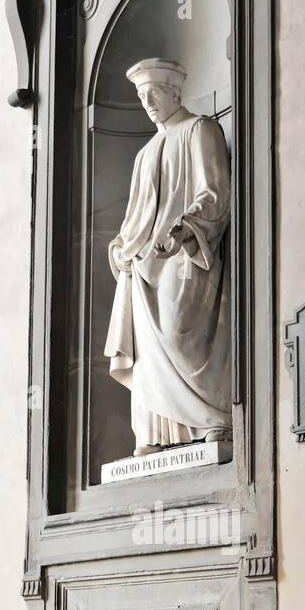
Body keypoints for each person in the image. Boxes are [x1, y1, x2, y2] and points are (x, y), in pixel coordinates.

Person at [104, 56, 232, 456]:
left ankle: (212, 419)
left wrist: (186, 227)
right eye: (141, 96)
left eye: (153, 93)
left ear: (174, 92)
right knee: (145, 350)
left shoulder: (200, 129)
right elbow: (135, 217)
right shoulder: (145, 153)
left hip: (186, 254)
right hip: (145, 263)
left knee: (178, 330)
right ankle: (156, 434)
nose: (147, 103)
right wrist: (122, 248)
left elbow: (214, 193)